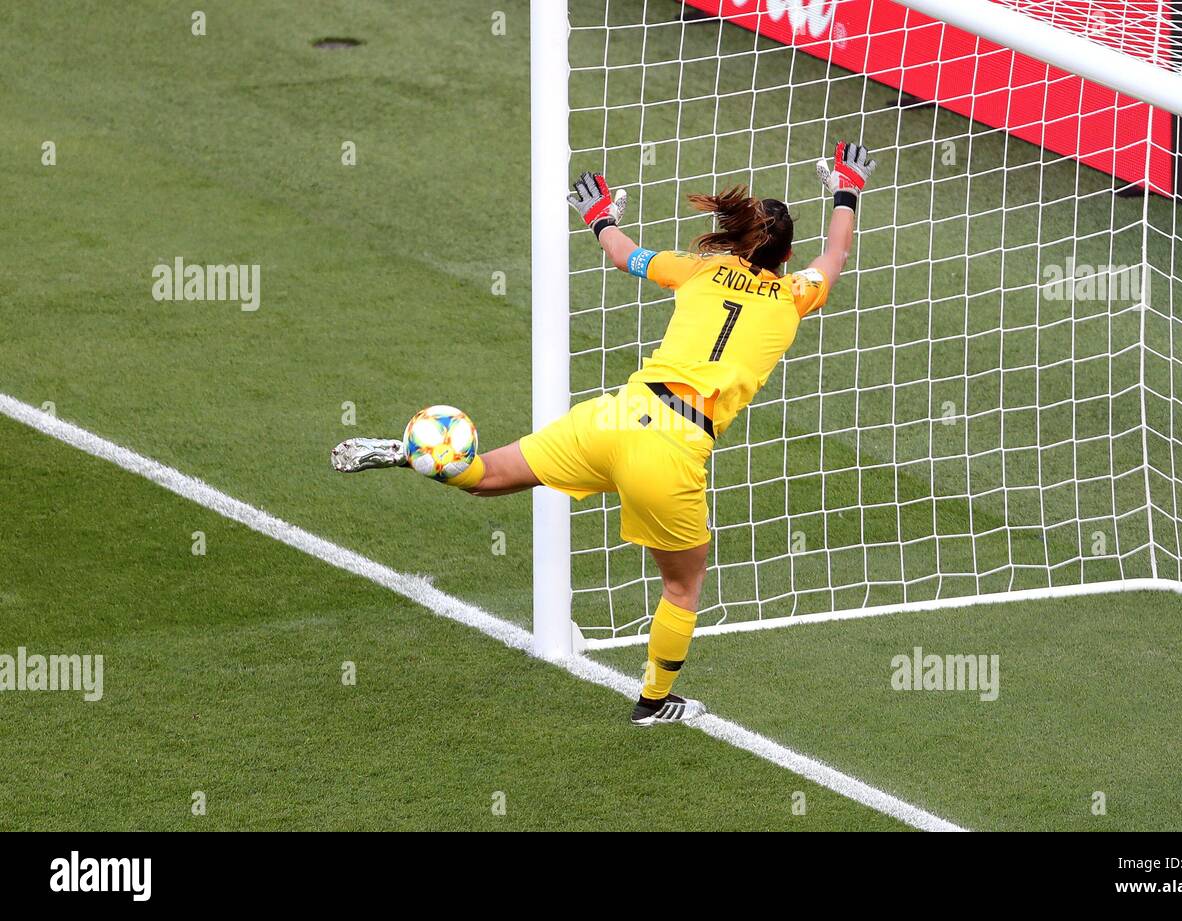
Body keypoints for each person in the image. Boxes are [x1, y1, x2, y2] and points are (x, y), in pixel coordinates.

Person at [332, 141, 876, 725]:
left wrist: (599, 219)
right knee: (682, 588)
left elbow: (627, 256)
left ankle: (421, 452)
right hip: (673, 448)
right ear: (786, 254)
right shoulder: (796, 296)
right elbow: (837, 252)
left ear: (735, 240)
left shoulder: (700, 269)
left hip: (616, 414)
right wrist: (846, 185)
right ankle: (654, 701)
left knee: (484, 478)